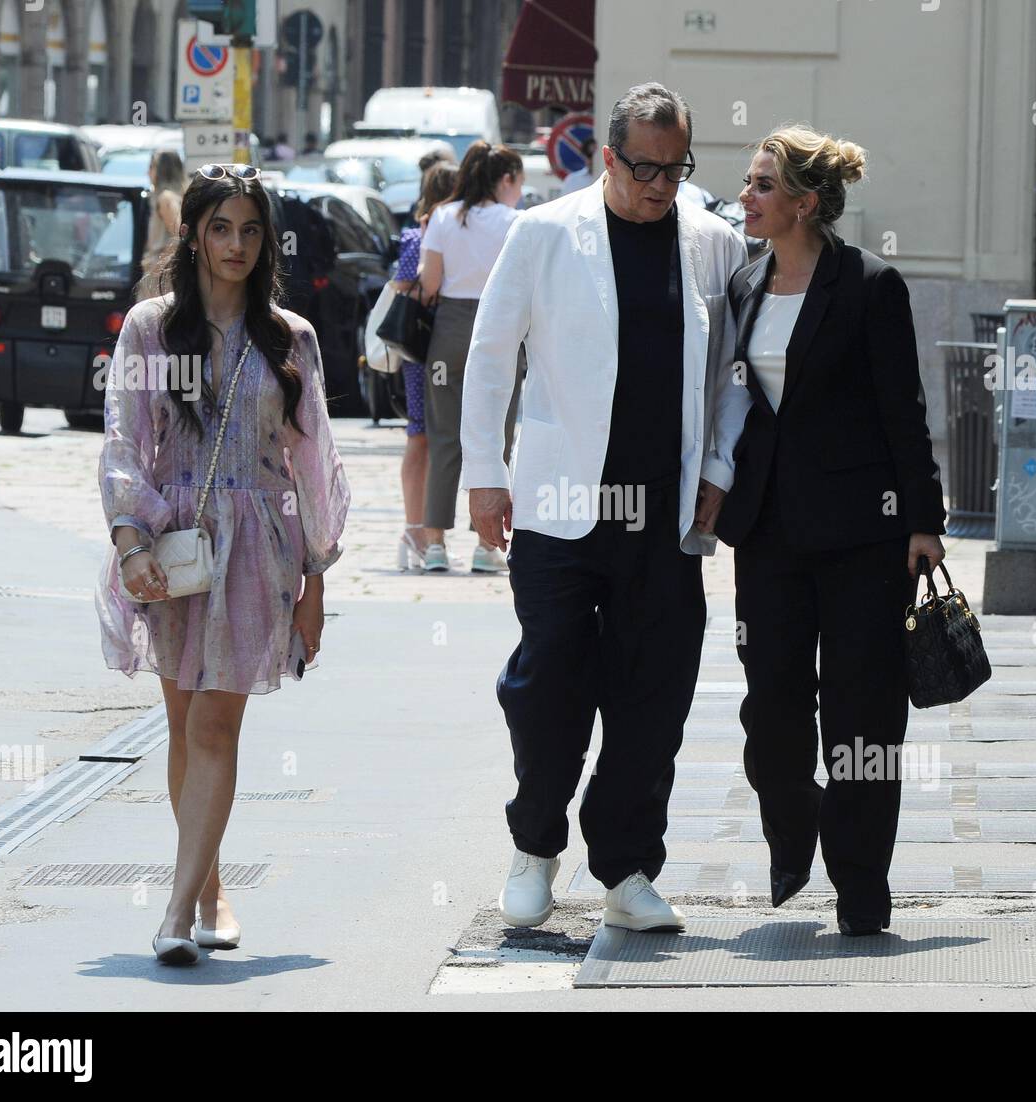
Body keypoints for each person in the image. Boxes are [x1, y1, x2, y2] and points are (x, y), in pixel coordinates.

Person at [461, 83, 749, 932]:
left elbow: (731, 375)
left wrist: (721, 468)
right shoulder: (545, 232)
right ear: (609, 157)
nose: (661, 184)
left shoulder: (712, 245)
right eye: (645, 167)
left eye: (676, 167)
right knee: (548, 681)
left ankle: (625, 867)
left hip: (665, 517)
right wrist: (484, 472)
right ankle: (535, 845)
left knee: (652, 695)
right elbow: (489, 354)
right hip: (558, 506)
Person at [97, 162, 351, 964]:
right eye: (220, 228)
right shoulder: (148, 329)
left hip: (257, 551)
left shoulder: (291, 339)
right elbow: (122, 440)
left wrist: (316, 579)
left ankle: (175, 911)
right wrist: (129, 537)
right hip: (170, 548)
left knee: (215, 721)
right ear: (194, 233)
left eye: (250, 230)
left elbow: (315, 469)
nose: (236, 245)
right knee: (181, 723)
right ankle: (207, 886)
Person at [715, 125, 947, 934]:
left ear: (805, 204)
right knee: (770, 710)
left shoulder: (868, 285)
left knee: (863, 713)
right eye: (748, 182)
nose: (745, 196)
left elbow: (903, 410)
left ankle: (860, 883)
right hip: (770, 533)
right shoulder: (743, 286)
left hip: (863, 536)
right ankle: (794, 828)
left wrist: (923, 519)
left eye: (762, 185)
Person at [417, 140, 525, 574]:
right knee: (497, 439)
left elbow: (430, 284)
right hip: (498, 332)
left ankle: (435, 545)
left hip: (450, 329)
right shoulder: (514, 222)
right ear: (504, 179)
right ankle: (487, 546)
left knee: (444, 437)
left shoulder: (443, 216)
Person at [389, 160, 458, 570]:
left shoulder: (421, 232)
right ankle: (418, 529)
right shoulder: (423, 234)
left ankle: (420, 529)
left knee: (426, 438)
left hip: (425, 349)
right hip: (426, 346)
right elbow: (406, 283)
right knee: (424, 437)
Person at [136, 148, 185, 300]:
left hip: (160, 279)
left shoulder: (166, 198)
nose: (148, 172)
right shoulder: (177, 196)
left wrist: (159, 265)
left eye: (152, 166)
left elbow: (181, 236)